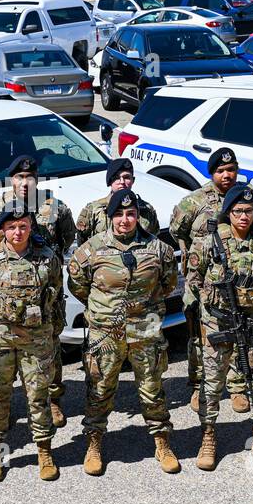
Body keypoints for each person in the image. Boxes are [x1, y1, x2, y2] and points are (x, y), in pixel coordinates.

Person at [68, 189, 180, 476]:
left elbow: (168, 284)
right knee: (100, 388)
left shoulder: (158, 249)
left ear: (138, 216)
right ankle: (93, 443)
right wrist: (105, 310)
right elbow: (78, 286)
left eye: (131, 214)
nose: (125, 220)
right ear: (110, 217)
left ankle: (162, 442)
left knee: (152, 388)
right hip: (105, 332)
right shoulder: (91, 251)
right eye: (119, 214)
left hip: (146, 329)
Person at [0, 154, 75, 426]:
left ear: (37, 179)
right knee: (2, 354)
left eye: (30, 177)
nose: (25, 183)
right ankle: (6, 403)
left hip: (43, 290)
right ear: (11, 179)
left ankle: (52, 399)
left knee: (50, 345)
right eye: (19, 177)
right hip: (5, 292)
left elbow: (67, 239)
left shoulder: (54, 208)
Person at [186, 186, 253, 472]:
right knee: (212, 384)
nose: (244, 216)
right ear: (228, 213)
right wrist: (211, 307)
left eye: (249, 211)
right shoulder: (208, 244)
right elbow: (193, 280)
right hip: (218, 325)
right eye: (238, 211)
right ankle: (208, 437)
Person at [170, 148, 253, 414]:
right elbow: (177, 231)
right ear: (212, 172)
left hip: (240, 282)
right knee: (198, 335)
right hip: (203, 277)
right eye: (221, 171)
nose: (227, 175)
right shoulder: (193, 202)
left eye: (231, 170)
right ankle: (199, 384)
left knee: (241, 330)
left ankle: (238, 386)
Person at [0, 202, 65, 482]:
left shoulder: (47, 257)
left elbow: (55, 292)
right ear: (3, 229)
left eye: (23, 226)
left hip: (36, 340)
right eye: (12, 227)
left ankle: (44, 452)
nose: (18, 232)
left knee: (38, 396)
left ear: (31, 227)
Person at [74, 158, 159, 245]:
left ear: (133, 180)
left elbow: (154, 240)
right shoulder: (94, 210)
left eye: (126, 177)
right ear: (110, 181)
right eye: (117, 178)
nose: (122, 182)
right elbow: (83, 243)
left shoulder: (146, 210)